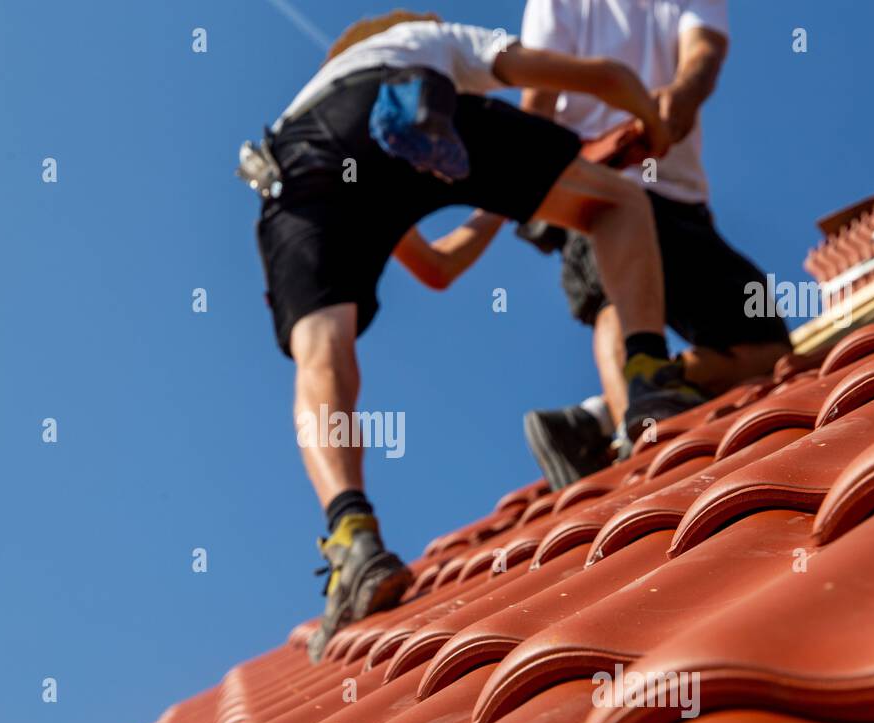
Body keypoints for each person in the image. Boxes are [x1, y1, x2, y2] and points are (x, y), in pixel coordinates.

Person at [250, 10, 678, 660]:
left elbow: (437, 266)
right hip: (410, 97)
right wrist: (652, 119)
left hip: (298, 163)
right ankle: (646, 381)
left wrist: (505, 201)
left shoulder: (318, 88)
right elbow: (605, 76)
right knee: (620, 203)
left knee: (320, 346)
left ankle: (352, 536)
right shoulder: (434, 37)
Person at [518, 0, 794, 488]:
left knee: (767, 347)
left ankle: (600, 419)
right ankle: (640, 447)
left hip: (677, 195)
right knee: (615, 298)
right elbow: (538, 94)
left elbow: (703, 53)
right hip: (595, 186)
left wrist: (681, 97)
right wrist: (535, 185)